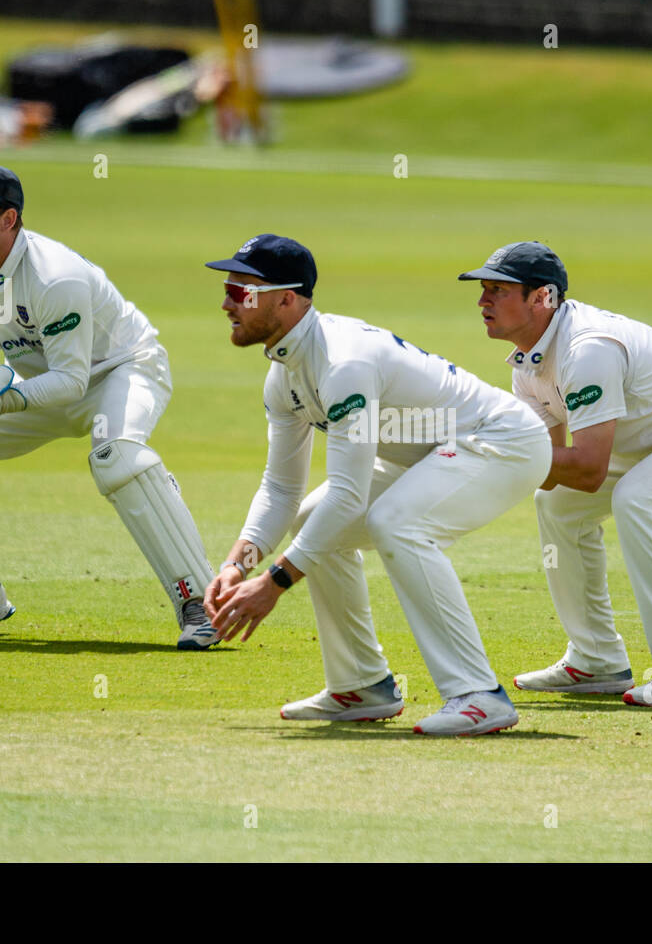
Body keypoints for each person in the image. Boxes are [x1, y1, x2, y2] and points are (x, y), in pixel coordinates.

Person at [201, 234, 551, 736]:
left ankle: (479, 695)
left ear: (287, 298)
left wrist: (273, 584)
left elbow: (348, 493)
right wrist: (239, 565)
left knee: (395, 522)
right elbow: (281, 488)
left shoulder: (345, 365)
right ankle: (361, 685)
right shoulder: (285, 376)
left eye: (242, 292)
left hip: (504, 442)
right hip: (432, 455)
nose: (227, 303)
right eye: (229, 290)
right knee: (311, 520)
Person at [0, 163, 218, 650]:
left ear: (9, 220)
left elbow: (71, 380)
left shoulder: (55, 277)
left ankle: (202, 604)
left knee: (117, 459)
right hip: (40, 381)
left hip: (121, 368)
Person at [459, 241, 652, 707]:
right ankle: (596, 659)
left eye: (498, 290)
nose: (483, 301)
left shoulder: (588, 350)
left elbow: (588, 469)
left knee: (640, 501)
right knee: (557, 505)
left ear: (543, 297)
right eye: (484, 290)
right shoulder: (528, 365)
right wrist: (495, 455)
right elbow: (550, 473)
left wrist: (490, 449)